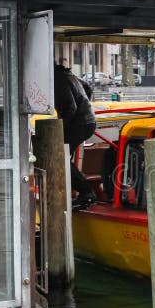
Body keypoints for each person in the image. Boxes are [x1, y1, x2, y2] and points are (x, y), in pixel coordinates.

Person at [54, 63, 97, 209]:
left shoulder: (57, 79)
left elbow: (70, 108)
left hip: (80, 123)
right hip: (87, 121)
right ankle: (83, 191)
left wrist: (60, 129)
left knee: (60, 157)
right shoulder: (68, 75)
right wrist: (86, 106)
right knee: (63, 157)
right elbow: (88, 88)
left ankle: (87, 193)